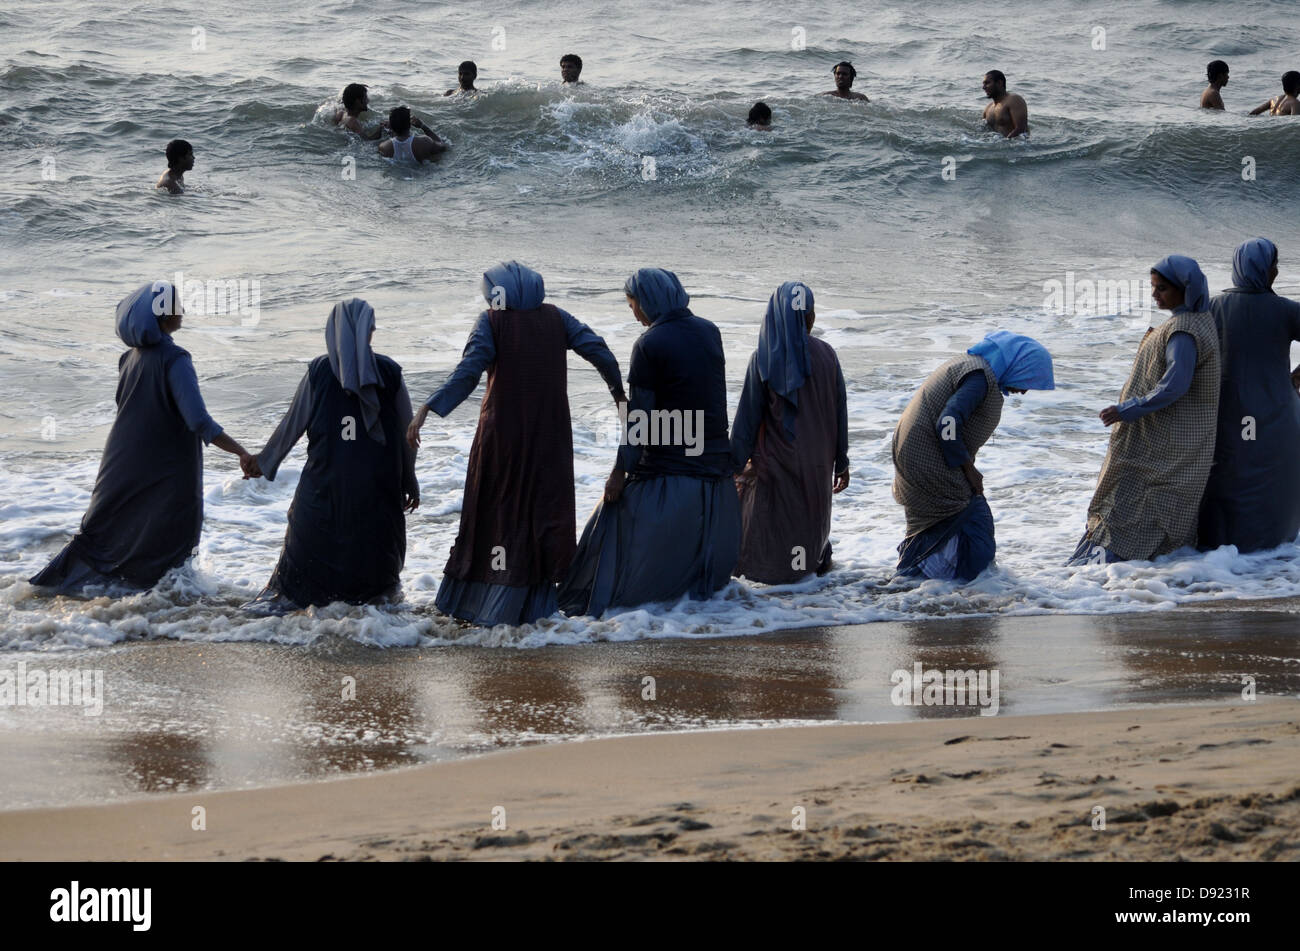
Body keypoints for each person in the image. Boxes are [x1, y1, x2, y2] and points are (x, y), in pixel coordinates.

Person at [407, 262, 624, 626]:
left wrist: (429, 407)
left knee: (498, 512)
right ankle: (535, 607)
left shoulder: (492, 322)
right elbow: (599, 350)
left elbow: (469, 371)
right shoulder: (557, 318)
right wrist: (618, 394)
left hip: (501, 437)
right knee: (541, 511)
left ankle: (483, 604)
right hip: (550, 435)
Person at [30, 282, 254, 594]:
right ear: (162, 315)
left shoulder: (128, 360)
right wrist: (242, 452)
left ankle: (71, 595)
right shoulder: (176, 359)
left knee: (109, 535)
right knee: (169, 545)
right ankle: (167, 608)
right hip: (168, 471)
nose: (183, 311)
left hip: (121, 464)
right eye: (177, 306)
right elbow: (198, 420)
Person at [559, 269, 740, 616]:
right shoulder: (709, 331)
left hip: (670, 464)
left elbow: (638, 420)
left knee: (606, 528)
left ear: (648, 301)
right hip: (714, 464)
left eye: (633, 305)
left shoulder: (649, 343)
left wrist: (619, 472)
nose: (634, 314)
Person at [247, 299, 419, 609]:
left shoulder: (319, 371)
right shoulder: (390, 373)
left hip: (322, 495)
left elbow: (291, 427)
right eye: (372, 326)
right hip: (377, 495)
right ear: (368, 331)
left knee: (299, 597)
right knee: (376, 594)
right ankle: (379, 631)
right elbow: (409, 436)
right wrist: (410, 480)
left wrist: (263, 463)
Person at [1067, 256, 1221, 566]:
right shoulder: (1198, 320)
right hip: (1178, 440)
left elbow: (1175, 385)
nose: (1154, 295)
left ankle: (1098, 573)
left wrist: (1127, 409)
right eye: (1153, 288)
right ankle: (1126, 574)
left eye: (1162, 289)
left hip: (1164, 443)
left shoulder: (1183, 332)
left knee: (1130, 503)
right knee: (1144, 507)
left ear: (1185, 290)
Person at [893, 332, 1055, 583]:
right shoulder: (979, 377)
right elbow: (947, 423)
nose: (1023, 391)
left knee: (942, 524)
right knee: (973, 522)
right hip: (929, 461)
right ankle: (948, 589)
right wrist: (969, 469)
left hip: (917, 456)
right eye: (1027, 380)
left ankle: (922, 585)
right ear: (1017, 365)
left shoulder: (969, 366)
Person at [730, 282, 849, 584]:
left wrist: (731, 468)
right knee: (809, 517)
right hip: (820, 461)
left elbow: (746, 421)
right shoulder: (828, 355)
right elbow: (840, 412)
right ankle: (809, 570)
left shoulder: (764, 358)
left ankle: (770, 579)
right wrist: (843, 461)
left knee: (767, 520)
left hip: (777, 463)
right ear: (809, 316)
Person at [1199, 239, 1300, 553]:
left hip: (1225, 412)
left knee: (1226, 476)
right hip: (1276, 412)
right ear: (1269, 271)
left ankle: (1220, 550)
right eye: (1274, 265)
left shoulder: (1210, 308)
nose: (1276, 271)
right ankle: (1270, 554)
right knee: (1273, 480)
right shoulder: (1285, 310)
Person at [378, 106, 449, 162]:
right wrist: (423, 126)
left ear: (392, 125)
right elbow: (443, 146)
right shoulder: (425, 141)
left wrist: (392, 129)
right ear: (409, 124)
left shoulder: (383, 147)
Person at [981, 70, 1029, 138]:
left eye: (987, 83)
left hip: (1016, 146)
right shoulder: (987, 109)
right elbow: (985, 133)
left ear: (999, 83)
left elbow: (1021, 129)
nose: (983, 87)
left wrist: (1006, 142)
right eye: (983, 84)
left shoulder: (1014, 100)